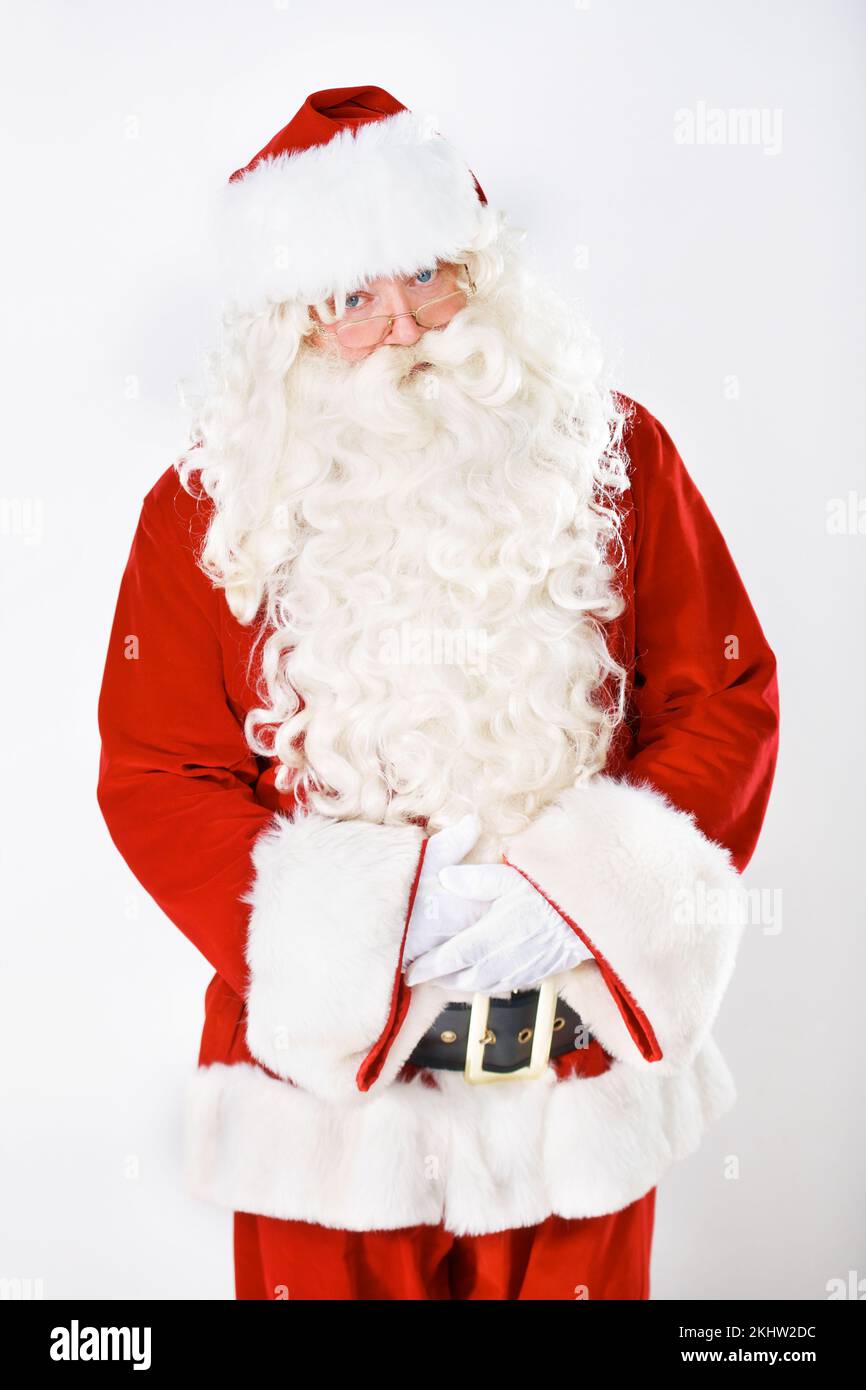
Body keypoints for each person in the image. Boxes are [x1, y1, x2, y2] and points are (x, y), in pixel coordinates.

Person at [95, 85, 780, 1301]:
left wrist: (579, 897)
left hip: (573, 1083)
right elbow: (156, 773)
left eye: (424, 274)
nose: (403, 325)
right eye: (351, 297)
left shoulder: (614, 457)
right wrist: (372, 922)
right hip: (332, 1112)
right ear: (290, 327)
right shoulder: (207, 512)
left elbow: (725, 697)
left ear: (480, 271)